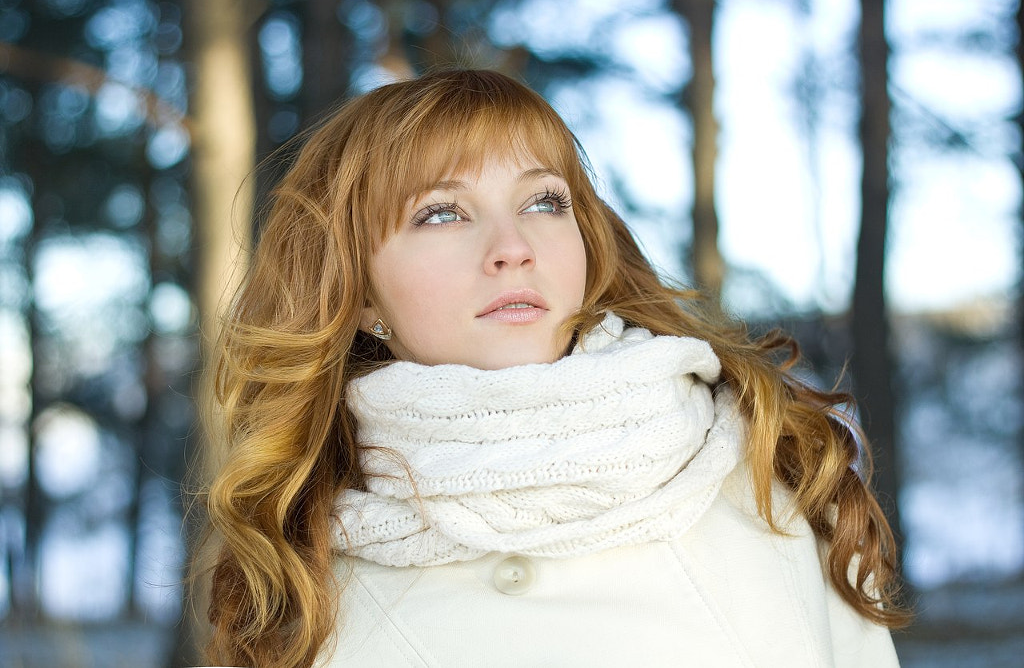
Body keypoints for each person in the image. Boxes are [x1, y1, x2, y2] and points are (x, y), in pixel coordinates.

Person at [199, 68, 909, 668]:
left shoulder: (766, 471)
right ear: (356, 294)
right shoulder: (302, 577)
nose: (512, 246)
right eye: (443, 213)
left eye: (544, 201)